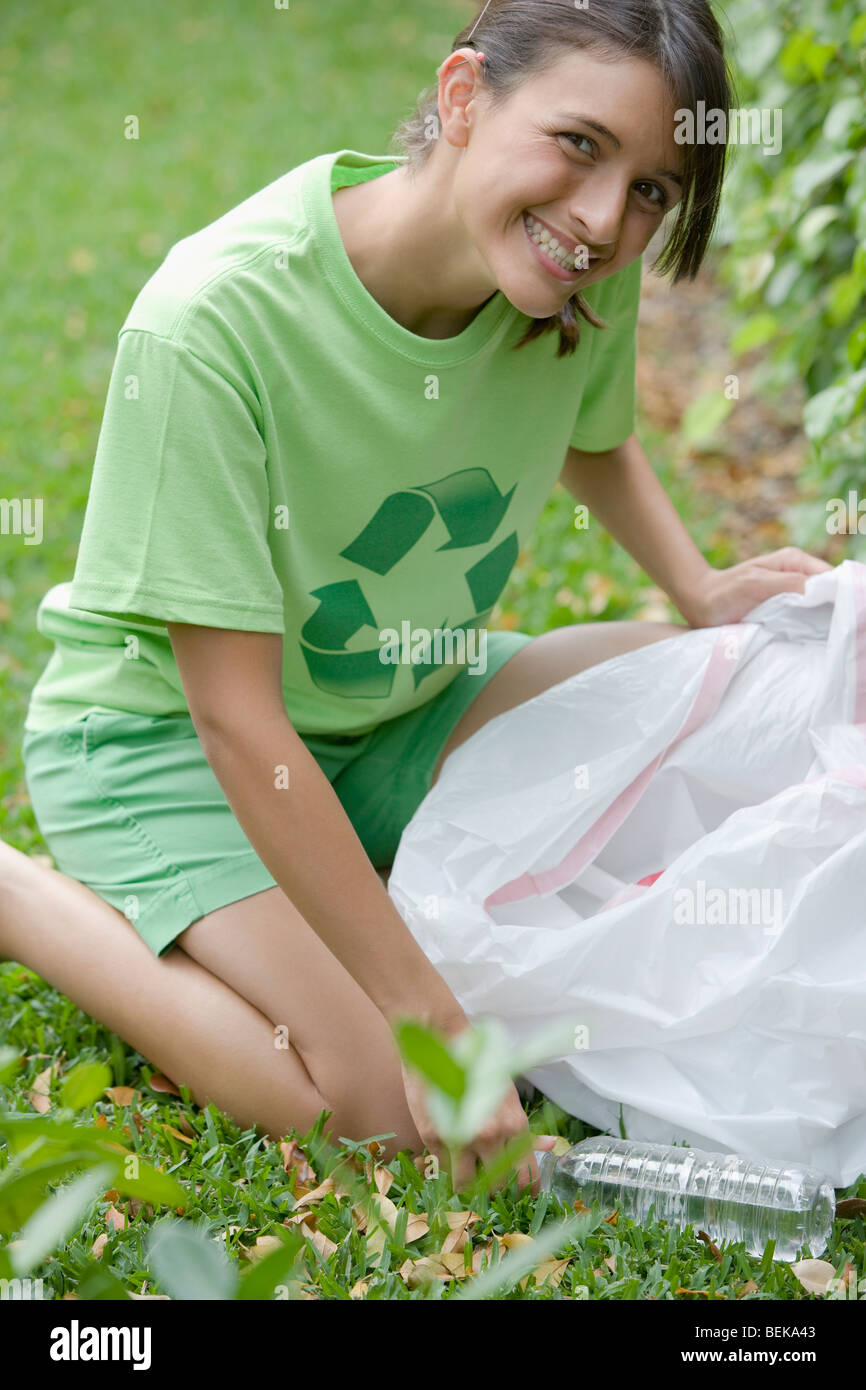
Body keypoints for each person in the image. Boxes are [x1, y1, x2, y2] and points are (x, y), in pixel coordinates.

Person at [4, 0, 830, 1195]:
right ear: (459, 97)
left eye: (653, 188)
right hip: (171, 750)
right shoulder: (214, 325)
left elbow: (594, 438)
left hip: (406, 704)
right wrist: (426, 1015)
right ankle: (20, 896)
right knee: (378, 1105)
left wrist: (697, 586)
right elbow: (238, 721)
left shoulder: (565, 278)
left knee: (727, 679)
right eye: (579, 145)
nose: (603, 219)